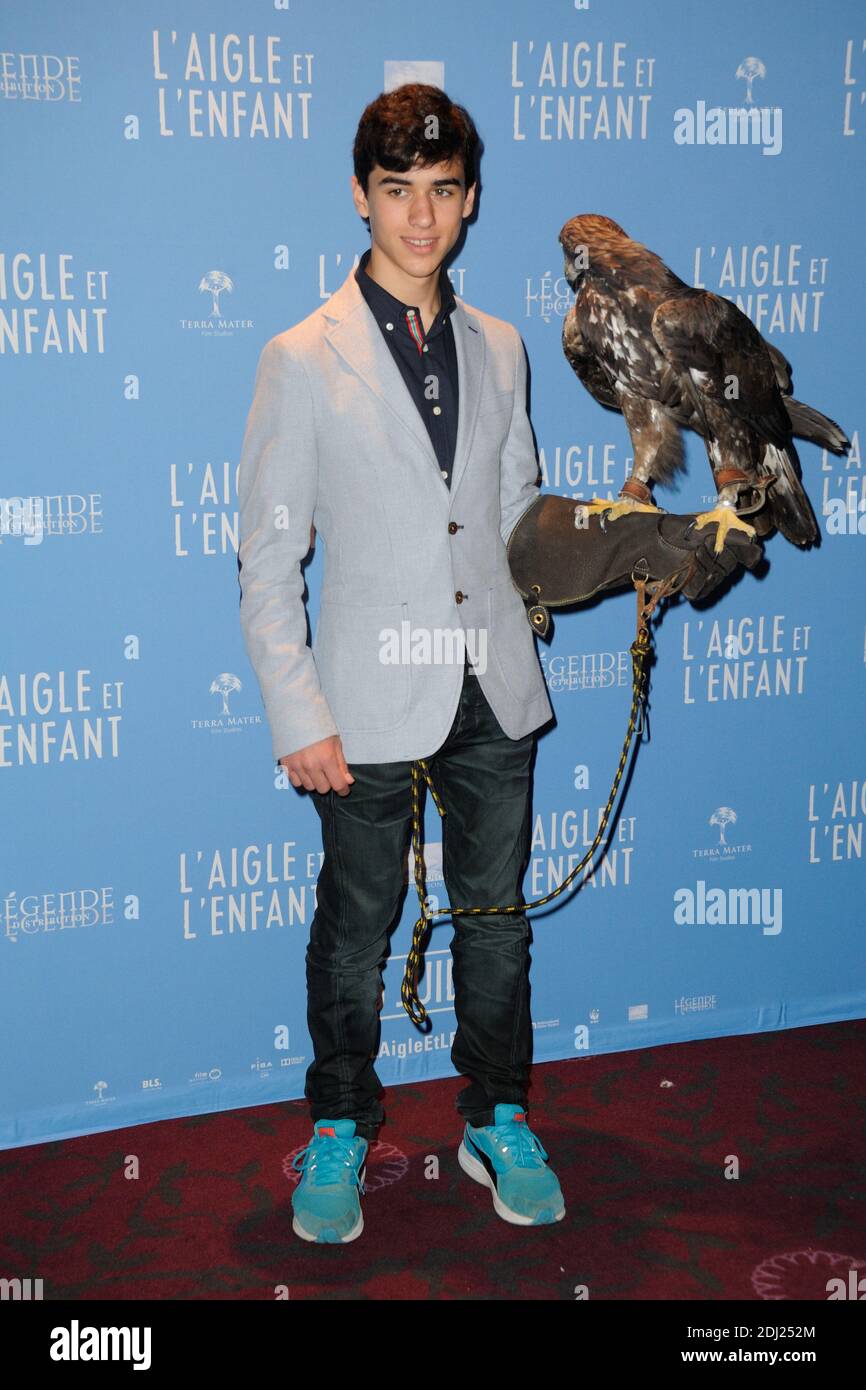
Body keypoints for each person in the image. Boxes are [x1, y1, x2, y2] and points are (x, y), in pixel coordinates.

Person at [236, 83, 762, 1245]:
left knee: (494, 921)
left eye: (441, 192)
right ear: (361, 197)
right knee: (356, 925)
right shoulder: (298, 357)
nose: (420, 218)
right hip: (364, 695)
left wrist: (651, 542)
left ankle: (495, 1115)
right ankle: (338, 1124)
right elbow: (268, 563)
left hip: (492, 682)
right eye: (396, 192)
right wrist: (296, 714)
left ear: (470, 200)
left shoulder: (506, 346)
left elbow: (520, 521)